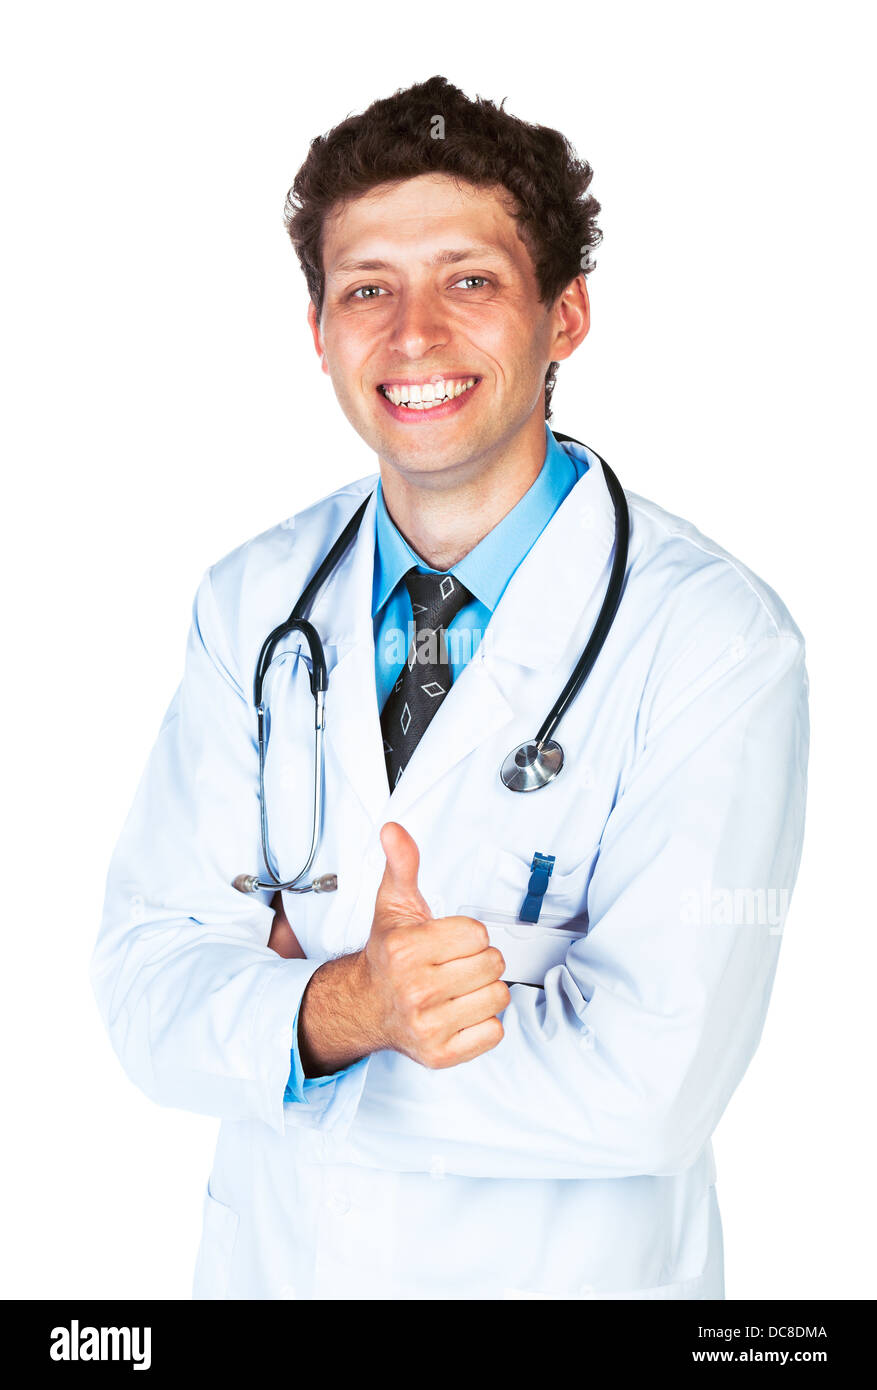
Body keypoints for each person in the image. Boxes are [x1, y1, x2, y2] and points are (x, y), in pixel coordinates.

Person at [92, 74, 809, 1301]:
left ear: (564, 314)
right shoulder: (249, 602)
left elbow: (648, 1091)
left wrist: (290, 1014)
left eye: (468, 280)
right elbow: (146, 995)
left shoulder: (713, 639)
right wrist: (377, 1003)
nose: (412, 332)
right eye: (366, 287)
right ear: (317, 331)